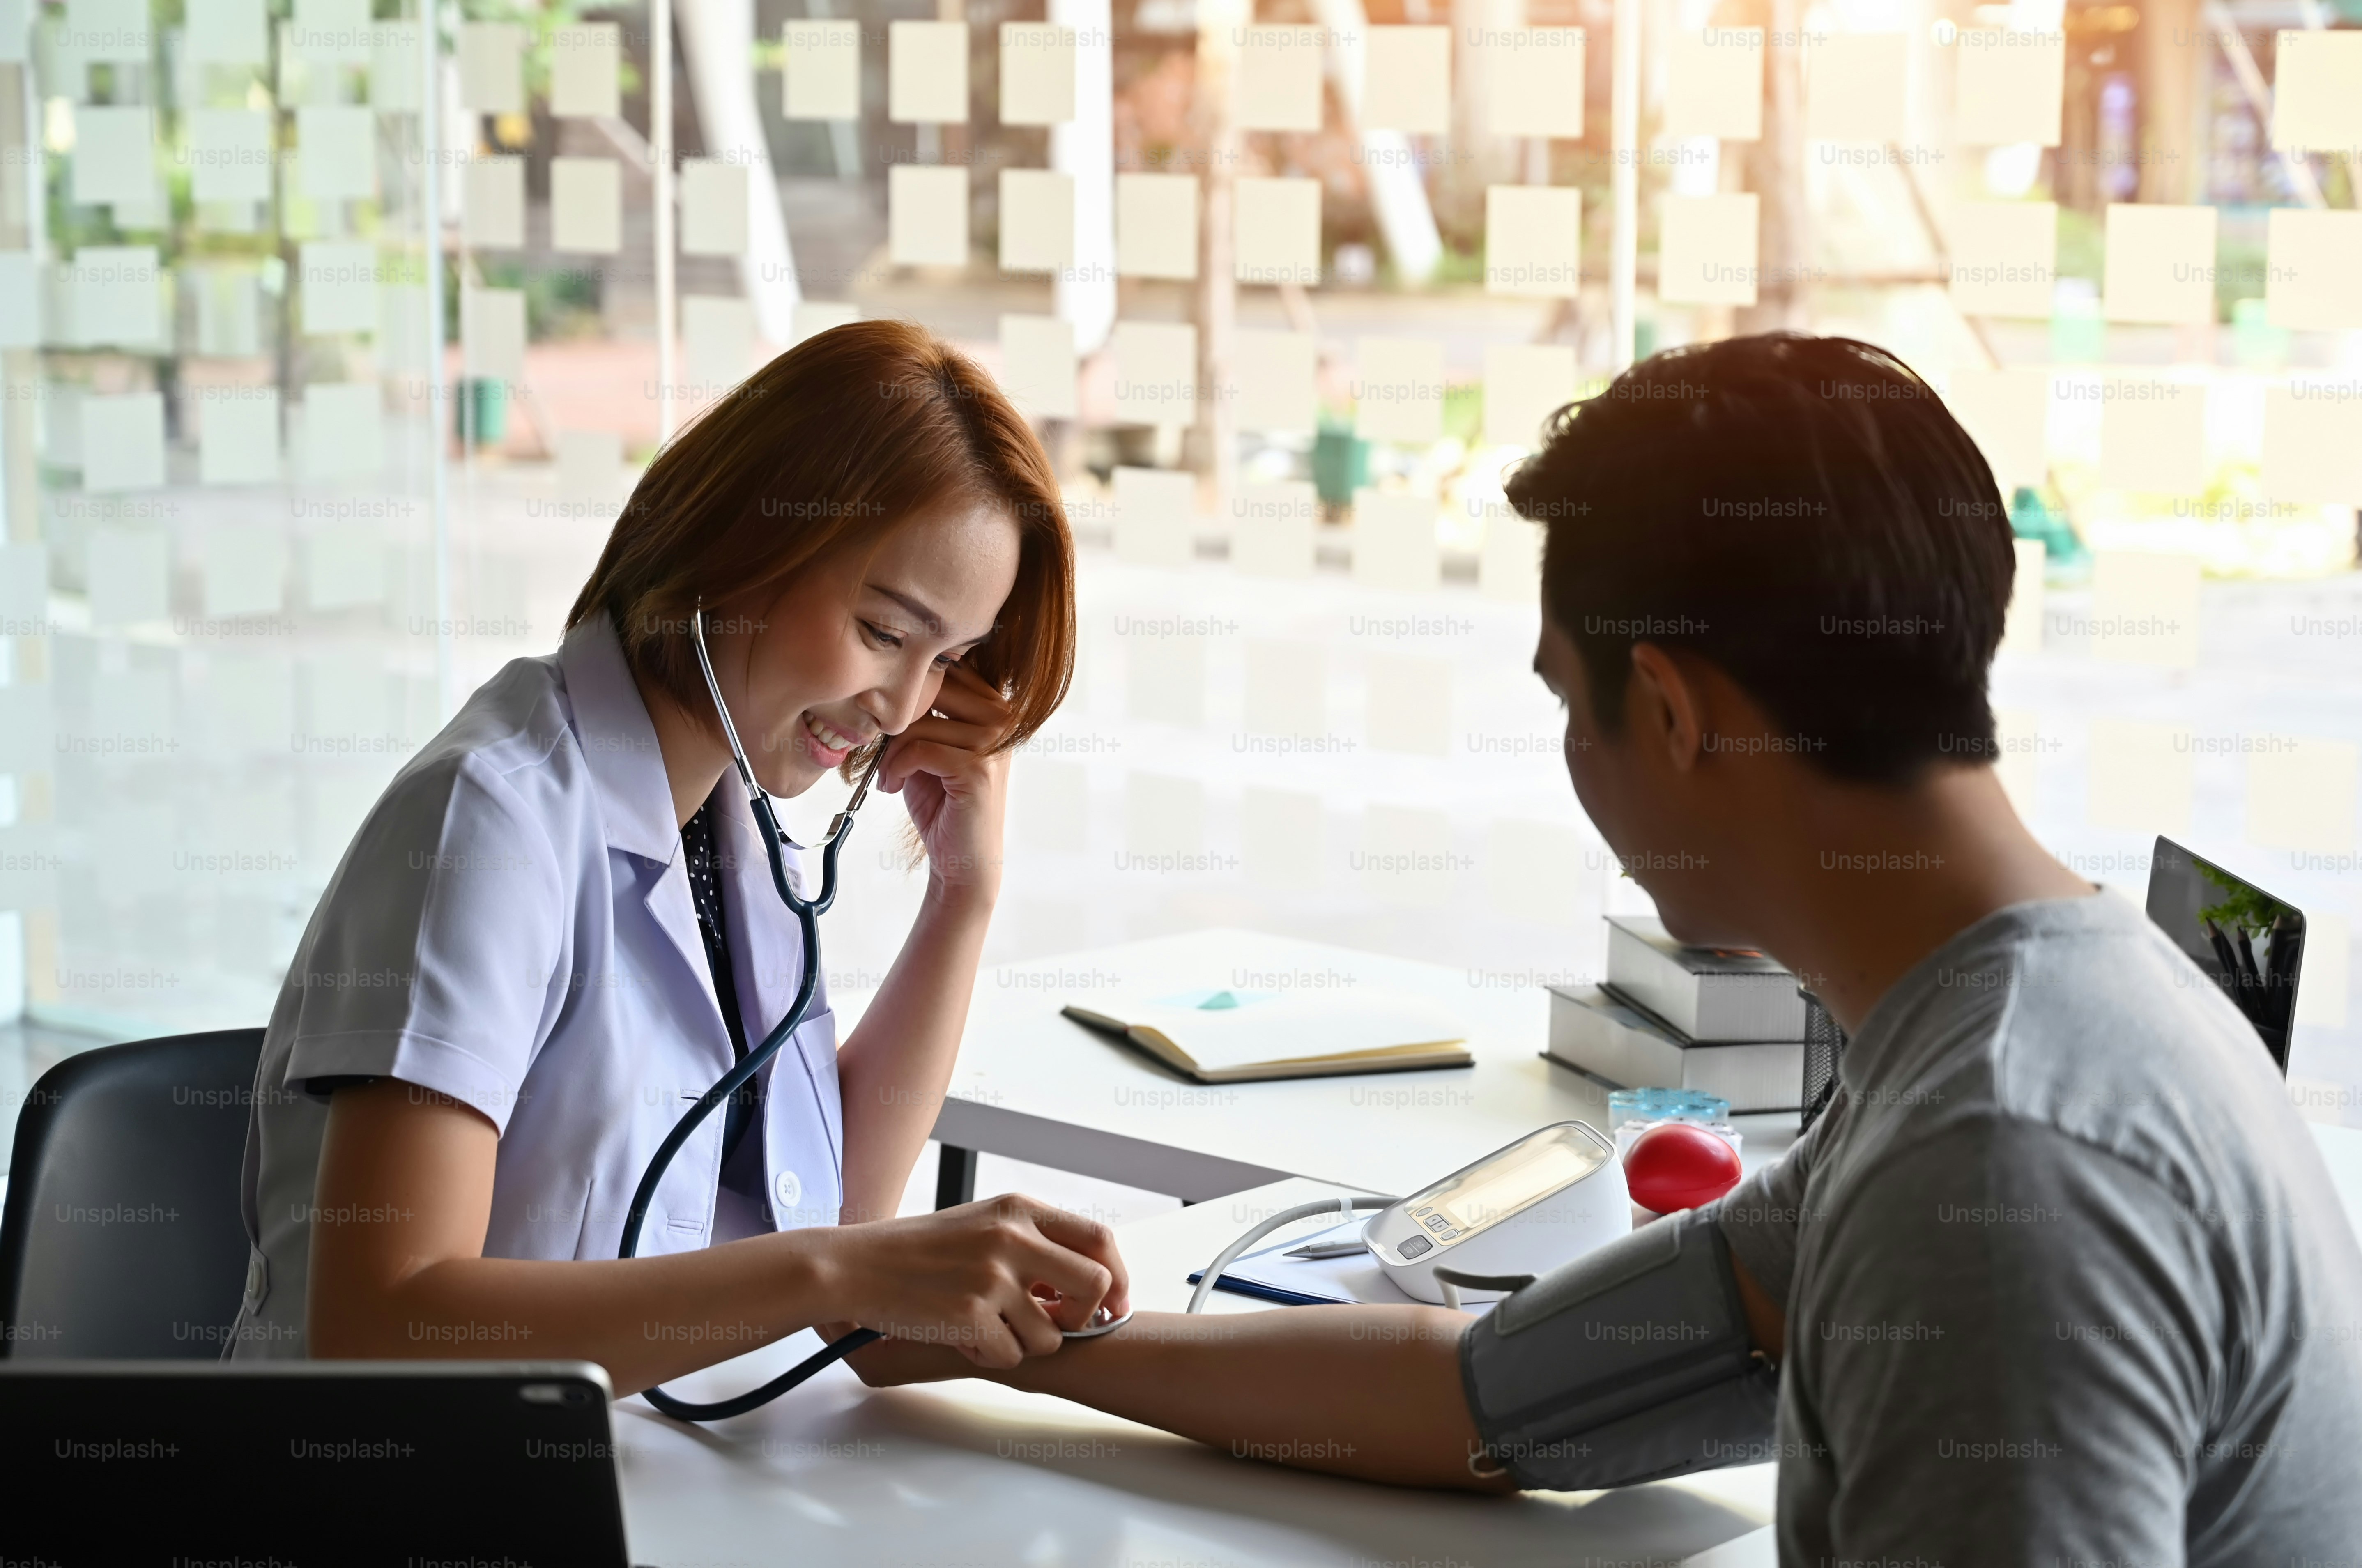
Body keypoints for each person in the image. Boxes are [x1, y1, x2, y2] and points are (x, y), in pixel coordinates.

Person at [849, 334, 2362, 1563]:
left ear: (1679, 712)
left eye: (1575, 706)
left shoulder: (2001, 1164)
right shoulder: (2018, 1024)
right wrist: (1022, 1348)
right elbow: (1489, 1395)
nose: (1576, 762)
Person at [229, 321, 1127, 1391]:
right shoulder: (493, 818)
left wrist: (962, 900)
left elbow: (833, 1220)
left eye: (952, 660)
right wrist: (832, 1269)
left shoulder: (725, 817)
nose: (904, 707)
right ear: (742, 544)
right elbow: (382, 1321)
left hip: (651, 1482)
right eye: (886, 632)